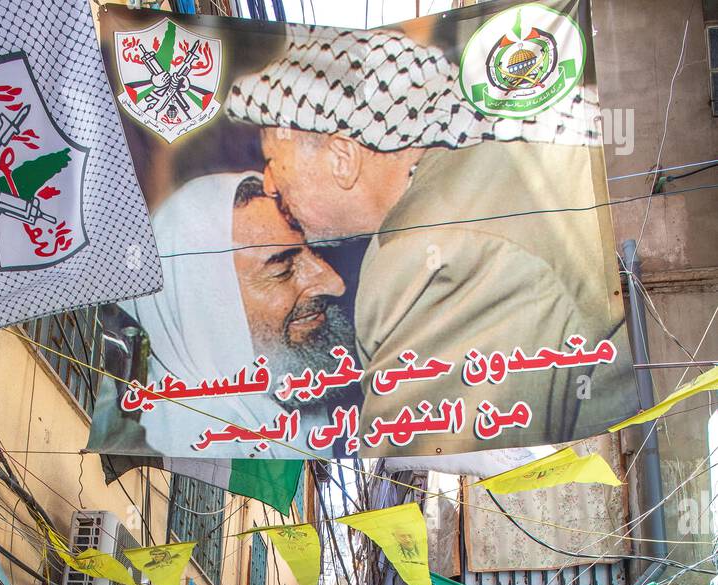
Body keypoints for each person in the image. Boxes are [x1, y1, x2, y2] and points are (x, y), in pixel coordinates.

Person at [227, 30, 637, 454]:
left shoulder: (418, 256)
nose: (270, 185)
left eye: (275, 163)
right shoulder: (483, 172)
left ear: (343, 159)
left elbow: (437, 461)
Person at [127, 170, 352, 458]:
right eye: (283, 270)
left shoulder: (298, 409)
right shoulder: (177, 447)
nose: (334, 283)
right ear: (205, 307)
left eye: (318, 254)